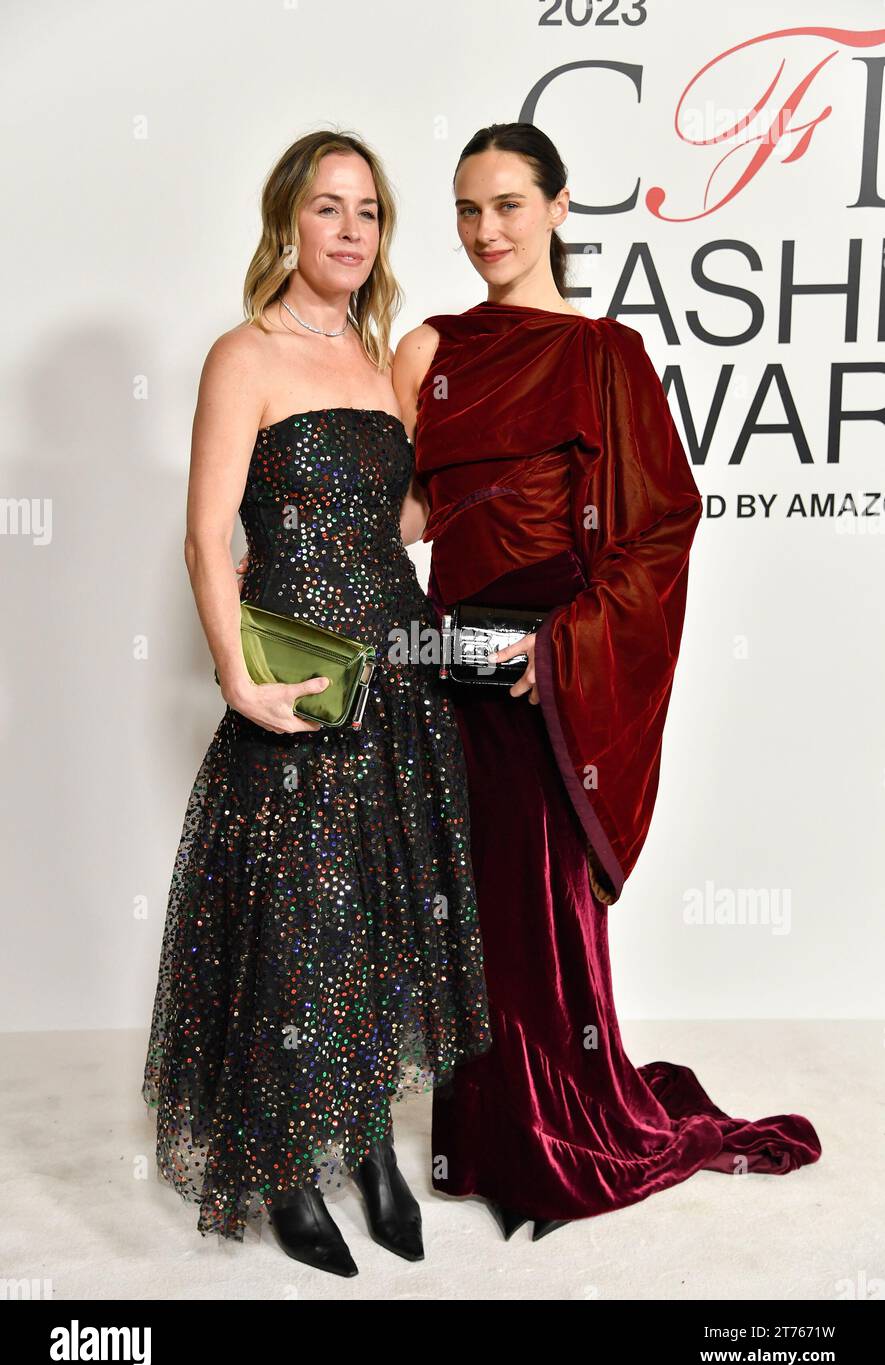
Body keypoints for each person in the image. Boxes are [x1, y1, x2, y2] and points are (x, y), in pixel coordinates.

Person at [392, 122, 822, 1241]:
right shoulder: (427, 347)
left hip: (551, 674)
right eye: (468, 210)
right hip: (450, 672)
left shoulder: (603, 354)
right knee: (471, 915)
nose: (487, 231)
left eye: (509, 206)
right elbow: (411, 513)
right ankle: (483, 1136)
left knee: (542, 911)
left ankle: (563, 1131)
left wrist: (565, 647)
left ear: (559, 206)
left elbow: (661, 531)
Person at [141, 130, 491, 1277]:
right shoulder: (242, 356)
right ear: (289, 221)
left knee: (388, 918)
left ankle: (373, 1147)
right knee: (298, 925)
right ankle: (291, 1169)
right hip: (300, 675)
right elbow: (204, 536)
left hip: (397, 669)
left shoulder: (380, 360)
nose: (352, 231)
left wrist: (487, 481)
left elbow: (384, 521)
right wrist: (237, 678)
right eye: (331, 208)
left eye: (372, 213)